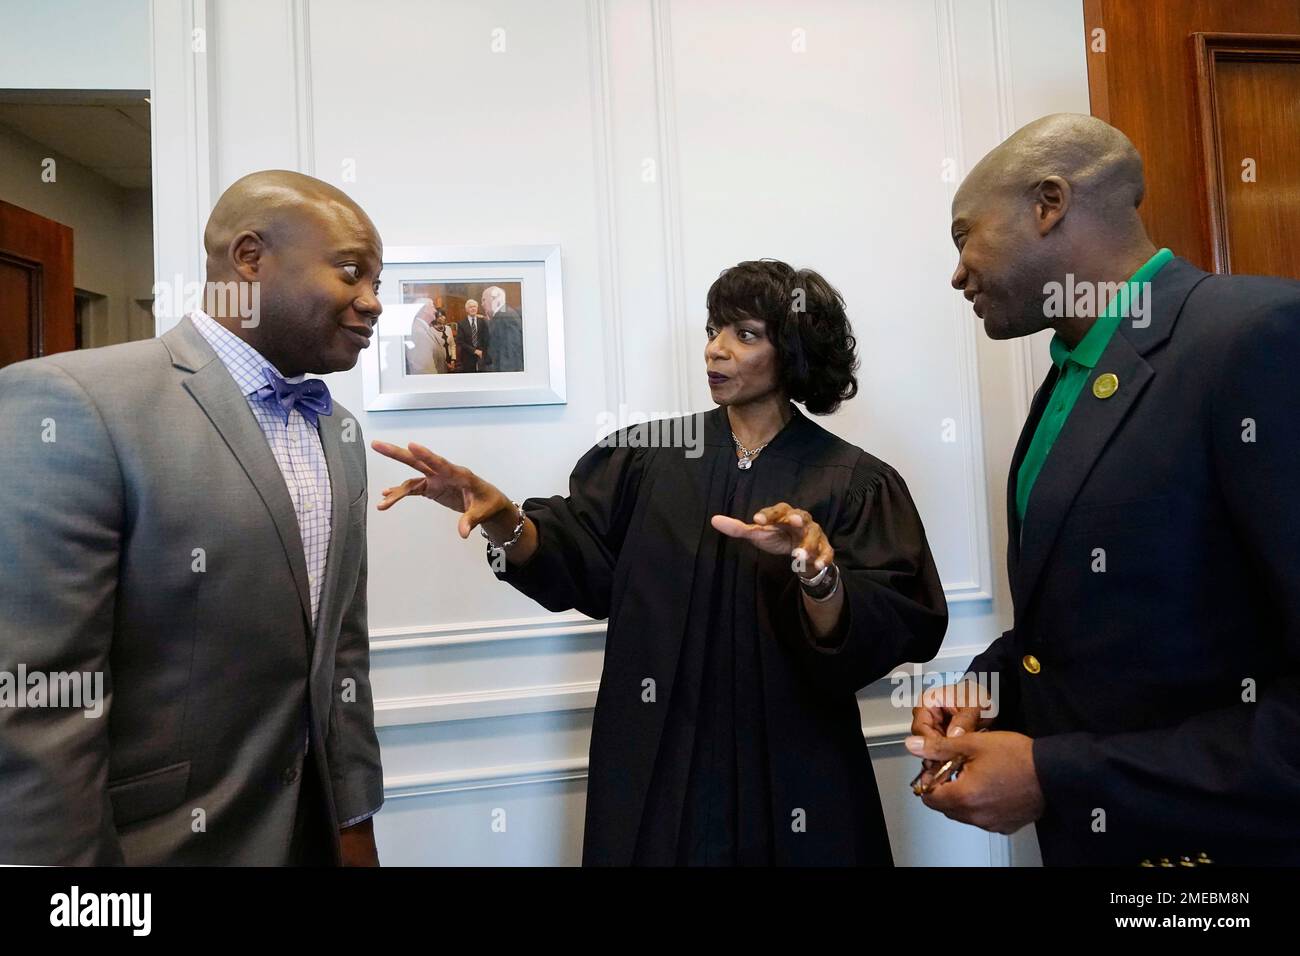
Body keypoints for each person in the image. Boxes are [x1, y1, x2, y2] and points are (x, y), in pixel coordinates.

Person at [374, 260, 947, 865]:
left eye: (744, 335)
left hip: (795, 768)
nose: (715, 350)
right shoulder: (647, 460)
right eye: (714, 330)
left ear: (795, 350)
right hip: (655, 762)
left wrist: (819, 575)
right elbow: (577, 561)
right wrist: (504, 519)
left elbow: (888, 629)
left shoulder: (854, 482)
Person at [909, 113, 1300, 866]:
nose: (958, 272)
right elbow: (1104, 616)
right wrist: (988, 688)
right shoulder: (1069, 378)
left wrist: (1059, 775)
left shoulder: (1258, 337)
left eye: (965, 236)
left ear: (1048, 202)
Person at [0, 169, 385, 866]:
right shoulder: (73, 404)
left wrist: (354, 820)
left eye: (377, 285)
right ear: (248, 258)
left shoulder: (342, 433)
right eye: (353, 274)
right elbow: (37, 701)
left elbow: (340, 652)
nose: (373, 303)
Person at [480, 286, 523, 372]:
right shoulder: (501, 314)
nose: (482, 304)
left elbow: (509, 355)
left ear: (494, 299)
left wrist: (503, 379)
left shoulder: (505, 317)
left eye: (484, 300)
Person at [406, 302, 454, 374]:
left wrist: (446, 363)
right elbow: (425, 368)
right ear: (425, 310)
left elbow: (435, 353)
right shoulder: (419, 331)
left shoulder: (425, 328)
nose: (435, 310)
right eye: (432, 307)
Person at [458, 297, 489, 372]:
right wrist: (474, 351)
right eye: (470, 307)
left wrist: (482, 351)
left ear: (477, 308)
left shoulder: (483, 322)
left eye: (474, 306)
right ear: (466, 310)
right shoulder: (461, 324)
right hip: (467, 357)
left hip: (482, 357)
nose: (473, 308)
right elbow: (460, 341)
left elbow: (486, 338)